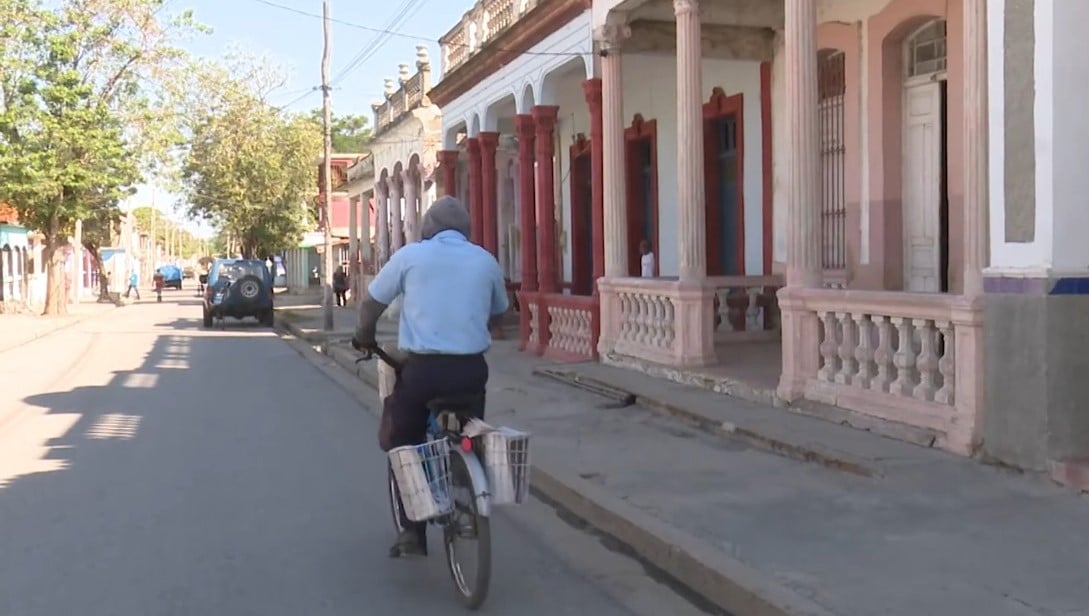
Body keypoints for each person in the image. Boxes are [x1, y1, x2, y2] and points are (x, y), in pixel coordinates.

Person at [352, 196, 508, 558]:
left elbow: (371, 303)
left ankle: (412, 529)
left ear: (427, 229)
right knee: (472, 427)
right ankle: (471, 482)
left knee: (403, 438)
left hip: (423, 371)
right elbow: (500, 313)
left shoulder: (411, 256)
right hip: (471, 371)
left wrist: (364, 336)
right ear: (466, 230)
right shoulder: (485, 259)